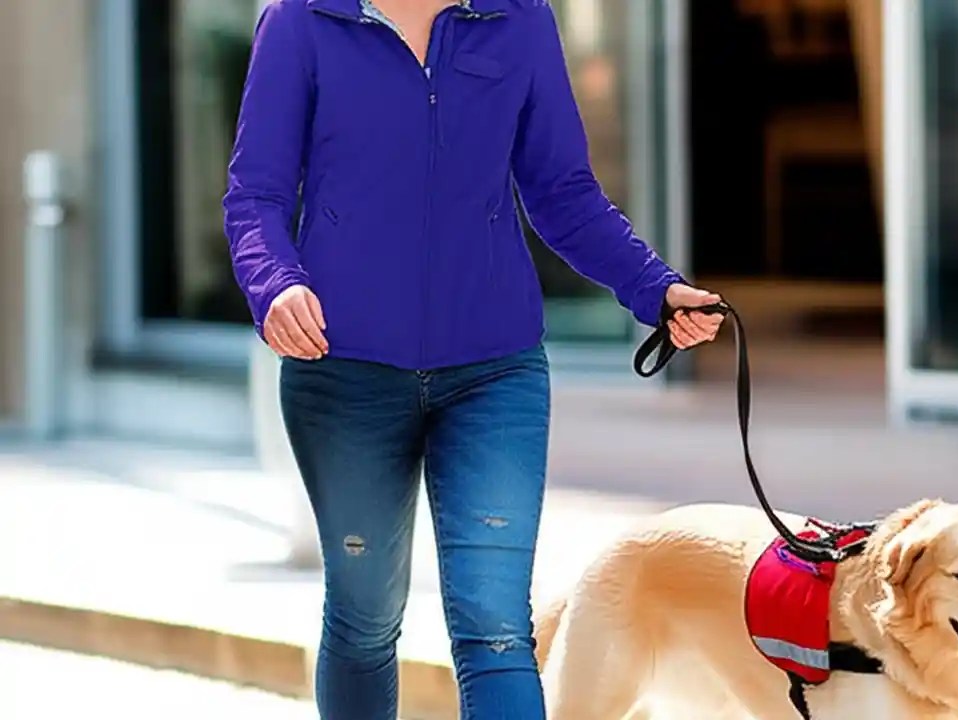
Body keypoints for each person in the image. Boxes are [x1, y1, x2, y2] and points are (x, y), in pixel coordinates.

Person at [222, 1, 723, 718]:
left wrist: (655, 288)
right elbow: (256, 194)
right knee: (364, 616)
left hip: (494, 369)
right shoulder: (303, 20)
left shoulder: (517, 18)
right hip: (343, 368)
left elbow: (562, 191)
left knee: (496, 631)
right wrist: (275, 284)